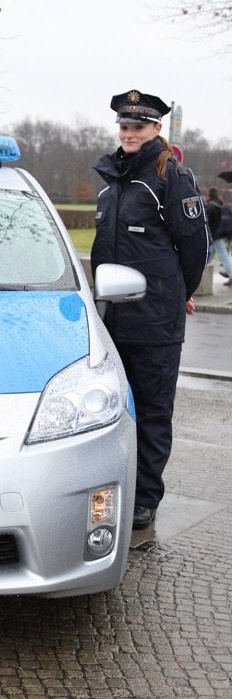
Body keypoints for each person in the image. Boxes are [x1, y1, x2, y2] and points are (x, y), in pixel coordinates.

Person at [91, 90, 209, 530]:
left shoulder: (170, 177)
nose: (129, 133)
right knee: (108, 410)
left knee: (154, 412)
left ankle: (145, 499)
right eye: (124, 126)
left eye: (138, 126)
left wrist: (180, 291)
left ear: (156, 129)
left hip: (155, 321)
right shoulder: (112, 185)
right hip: (111, 321)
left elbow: (194, 245)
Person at [203, 186, 232, 281]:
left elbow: (206, 222)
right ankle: (200, 271)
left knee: (223, 255)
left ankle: (231, 275)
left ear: (209, 195)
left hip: (214, 235)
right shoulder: (221, 204)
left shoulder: (210, 206)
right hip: (221, 233)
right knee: (209, 255)